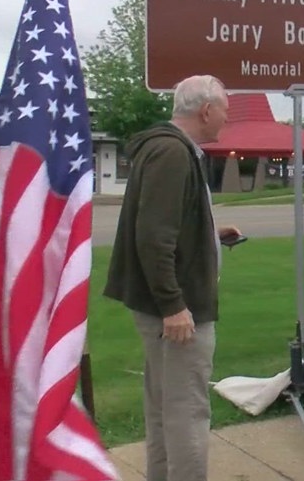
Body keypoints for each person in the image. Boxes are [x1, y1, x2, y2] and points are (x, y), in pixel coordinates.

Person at [104, 74, 241, 481]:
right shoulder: (173, 153)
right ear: (206, 110)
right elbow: (152, 236)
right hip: (176, 310)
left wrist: (209, 234)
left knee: (165, 407)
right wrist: (174, 305)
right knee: (187, 412)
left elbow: (163, 224)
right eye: (225, 113)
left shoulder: (166, 148)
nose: (225, 121)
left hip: (160, 304)